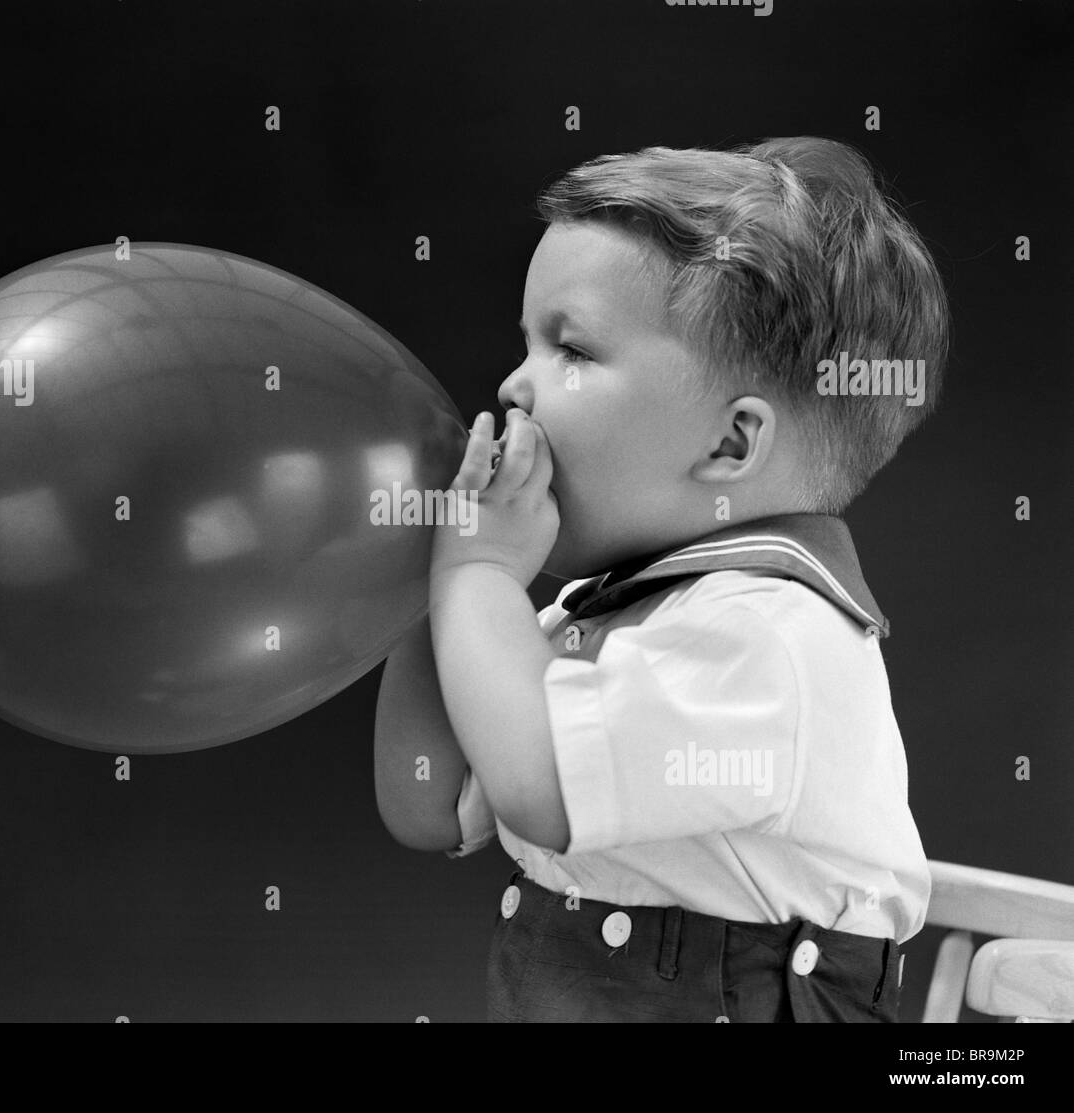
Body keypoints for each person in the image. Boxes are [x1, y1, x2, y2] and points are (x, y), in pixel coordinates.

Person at [374, 136, 950, 1022]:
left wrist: (479, 573)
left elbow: (546, 786)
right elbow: (430, 802)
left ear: (729, 445)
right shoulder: (604, 612)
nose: (513, 385)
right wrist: (435, 586)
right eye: (523, 343)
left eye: (569, 350)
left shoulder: (767, 635)